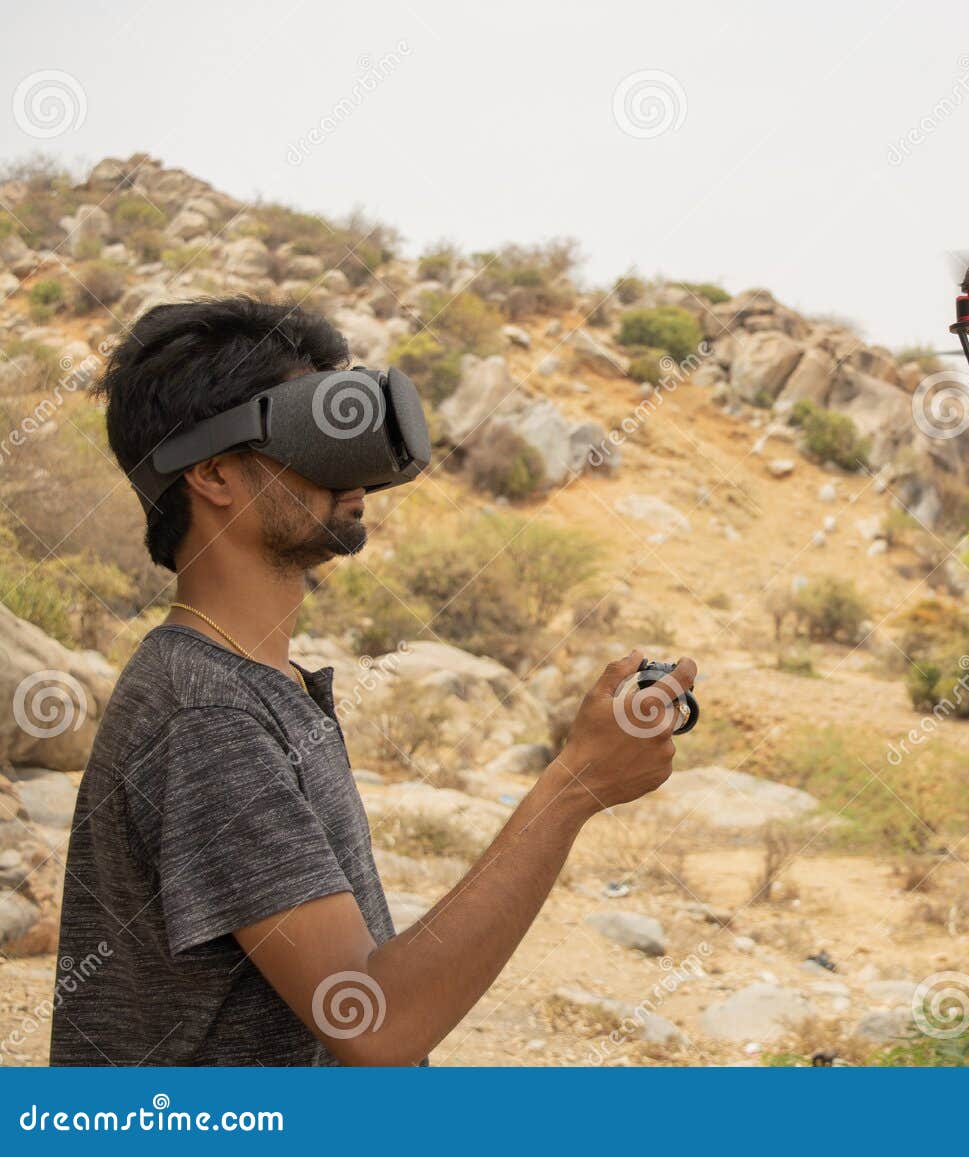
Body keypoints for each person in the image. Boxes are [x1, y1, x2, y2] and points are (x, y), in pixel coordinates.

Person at [49, 297, 694, 1065]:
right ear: (214, 472)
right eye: (320, 427)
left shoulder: (257, 683)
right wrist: (573, 786)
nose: (359, 465)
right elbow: (371, 1024)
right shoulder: (205, 710)